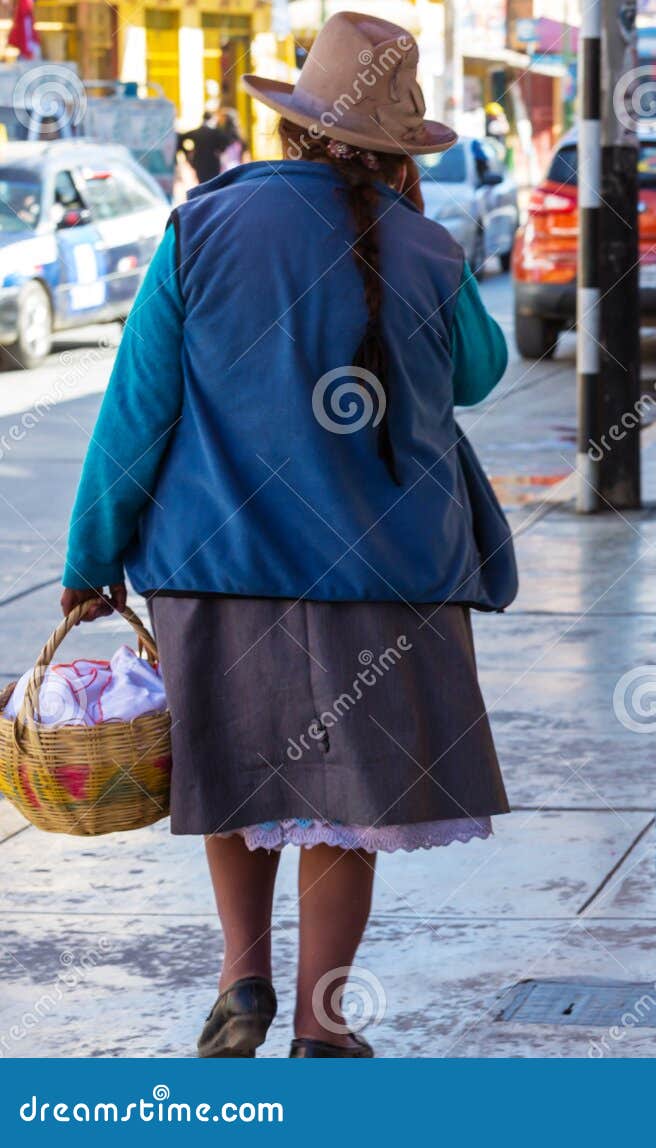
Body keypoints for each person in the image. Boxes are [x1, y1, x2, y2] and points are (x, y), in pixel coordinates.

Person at [60, 12, 517, 1059]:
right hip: (384, 577)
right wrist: (414, 221)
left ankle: (242, 981)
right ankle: (322, 1016)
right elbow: (480, 376)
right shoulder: (427, 246)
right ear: (401, 151)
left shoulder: (201, 226)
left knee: (236, 776)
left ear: (295, 130)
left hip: (215, 564)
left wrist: (92, 558)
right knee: (340, 809)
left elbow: (137, 413)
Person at [177, 104, 241, 186]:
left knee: (202, 184)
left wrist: (187, 153)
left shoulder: (196, 132)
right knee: (214, 185)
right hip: (213, 163)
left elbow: (181, 139)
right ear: (211, 119)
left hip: (199, 162)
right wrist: (219, 151)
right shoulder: (216, 132)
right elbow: (225, 142)